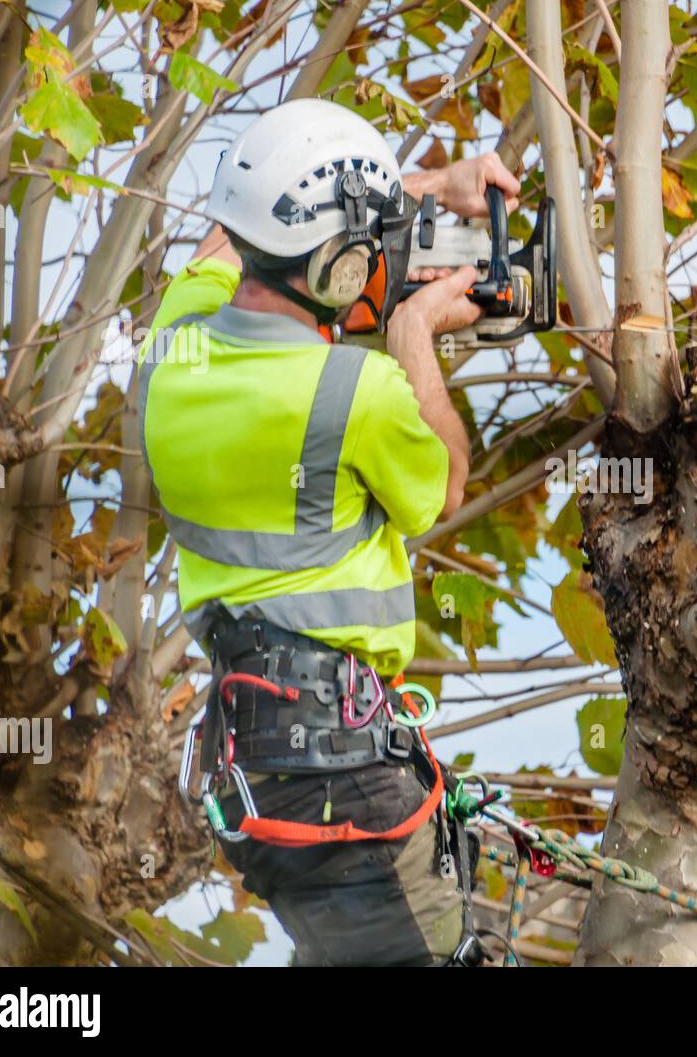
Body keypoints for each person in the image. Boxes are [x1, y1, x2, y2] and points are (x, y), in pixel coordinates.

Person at [139, 98, 520, 966]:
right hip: (344, 776)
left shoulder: (172, 346)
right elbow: (444, 485)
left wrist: (426, 185)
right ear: (344, 267)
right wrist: (413, 331)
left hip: (259, 769)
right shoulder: (358, 391)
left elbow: (227, 240)